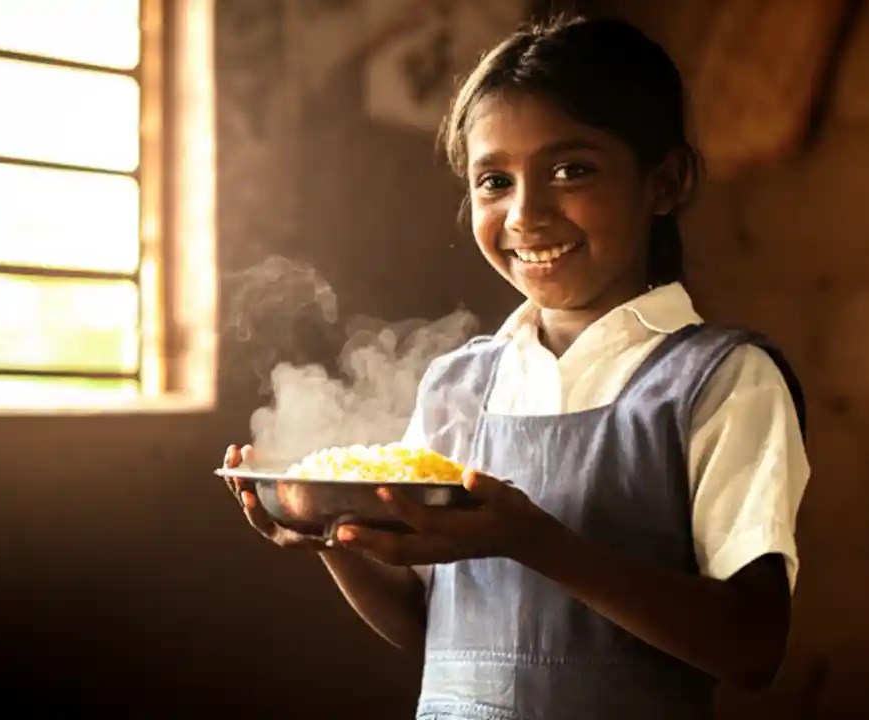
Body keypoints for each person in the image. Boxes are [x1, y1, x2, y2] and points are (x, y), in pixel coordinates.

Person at [222, 14, 809, 719]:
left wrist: (536, 542)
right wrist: (331, 535)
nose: (526, 213)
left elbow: (751, 647)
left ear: (665, 182)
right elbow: (423, 624)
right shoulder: (458, 386)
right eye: (494, 180)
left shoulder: (718, 381)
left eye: (571, 170)